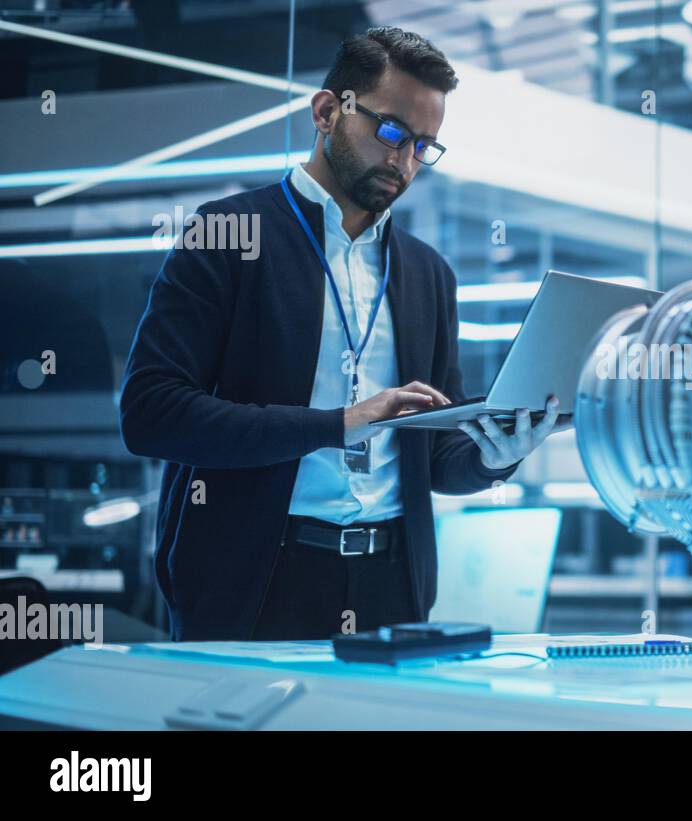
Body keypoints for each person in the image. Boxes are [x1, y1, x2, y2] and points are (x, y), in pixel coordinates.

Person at [120, 27, 563, 641]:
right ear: (328, 111)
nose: (404, 161)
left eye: (423, 148)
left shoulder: (429, 273)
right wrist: (341, 422)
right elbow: (152, 415)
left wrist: (495, 457)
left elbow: (433, 458)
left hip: (391, 585)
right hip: (256, 580)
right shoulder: (226, 233)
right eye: (391, 133)